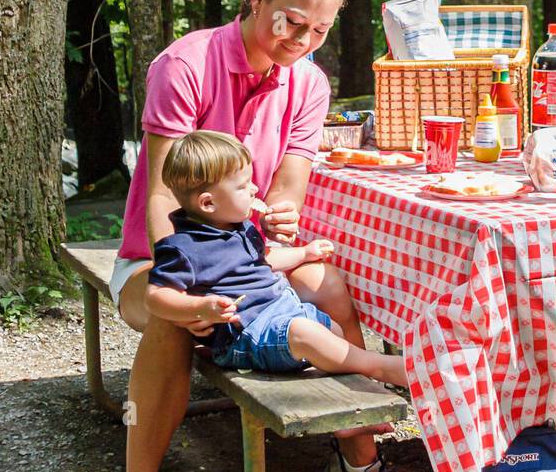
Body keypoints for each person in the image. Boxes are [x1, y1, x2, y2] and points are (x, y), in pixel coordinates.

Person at [111, 0, 425, 472]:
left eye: (320, 31)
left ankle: (358, 465)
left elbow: (288, 188)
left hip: (251, 262)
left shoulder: (307, 83)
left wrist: (282, 218)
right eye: (293, 22)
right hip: (162, 255)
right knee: (171, 322)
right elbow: (160, 196)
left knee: (332, 285)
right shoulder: (187, 64)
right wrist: (184, 285)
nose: (303, 42)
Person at [146, 131, 409, 388]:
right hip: (247, 334)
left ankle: (359, 388)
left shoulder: (238, 226)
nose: (255, 189)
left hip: (284, 311)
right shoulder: (183, 248)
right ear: (207, 204)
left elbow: (264, 261)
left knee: (334, 334)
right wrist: (198, 308)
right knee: (307, 335)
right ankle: (381, 367)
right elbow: (156, 296)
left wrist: (304, 253)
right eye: (243, 186)